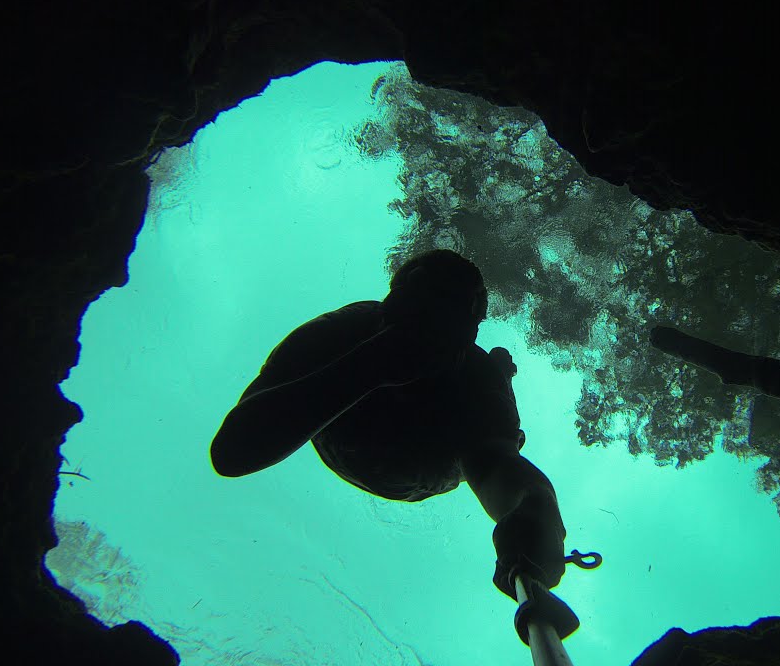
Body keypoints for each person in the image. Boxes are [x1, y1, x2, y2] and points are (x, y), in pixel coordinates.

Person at [209, 249, 567, 600]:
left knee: (495, 388)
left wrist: (532, 511)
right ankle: (504, 367)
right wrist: (378, 362)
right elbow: (233, 451)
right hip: (402, 451)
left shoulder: (477, 384)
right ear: (402, 289)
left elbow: (496, 467)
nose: (437, 331)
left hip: (429, 454)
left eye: (461, 317)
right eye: (434, 303)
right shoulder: (337, 332)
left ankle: (506, 368)